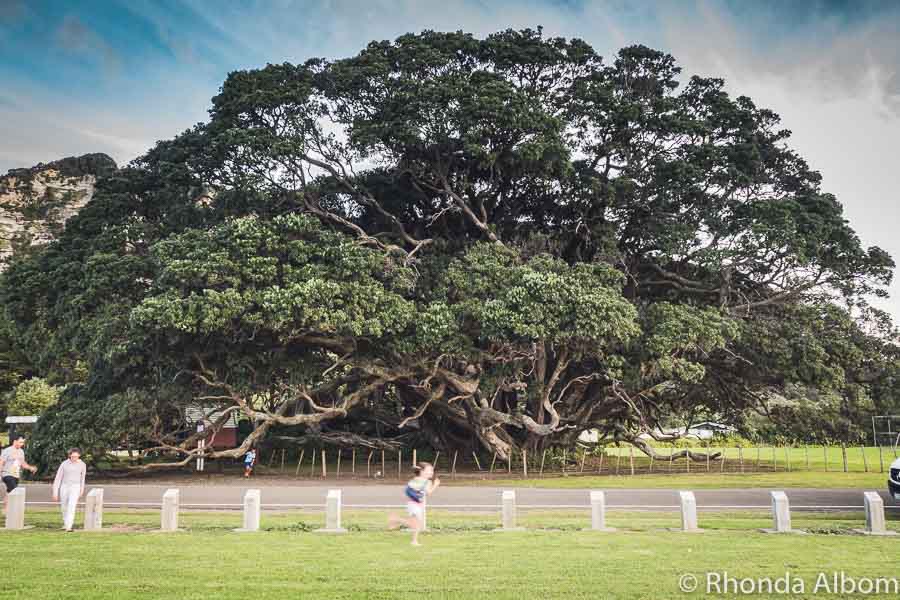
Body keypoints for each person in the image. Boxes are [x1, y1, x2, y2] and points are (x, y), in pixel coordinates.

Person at [388, 462, 440, 546]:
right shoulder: (426, 482)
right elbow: (428, 493)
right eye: (429, 470)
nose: (432, 472)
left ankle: (413, 540)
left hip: (412, 504)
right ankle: (396, 519)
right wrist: (435, 485)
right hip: (415, 504)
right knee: (415, 525)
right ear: (422, 471)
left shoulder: (416, 479)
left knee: (415, 525)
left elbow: (409, 489)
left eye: (432, 471)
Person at [0, 436, 37, 514]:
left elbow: (23, 464)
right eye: (20, 442)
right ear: (15, 441)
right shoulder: (7, 451)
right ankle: (13, 510)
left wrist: (30, 467)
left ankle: (5, 508)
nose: (22, 444)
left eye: (23, 442)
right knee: (14, 490)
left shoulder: (21, 451)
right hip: (7, 474)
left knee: (10, 491)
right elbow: (1, 462)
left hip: (16, 475)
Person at [52, 448, 86, 532]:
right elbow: (58, 478)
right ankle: (65, 523)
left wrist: (82, 490)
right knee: (64, 506)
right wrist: (55, 491)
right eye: (73, 456)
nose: (74, 458)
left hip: (75, 487)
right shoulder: (64, 464)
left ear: (79, 455)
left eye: (76, 456)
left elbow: (83, 478)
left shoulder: (82, 464)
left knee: (72, 505)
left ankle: (69, 526)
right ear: (69, 455)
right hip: (64, 486)